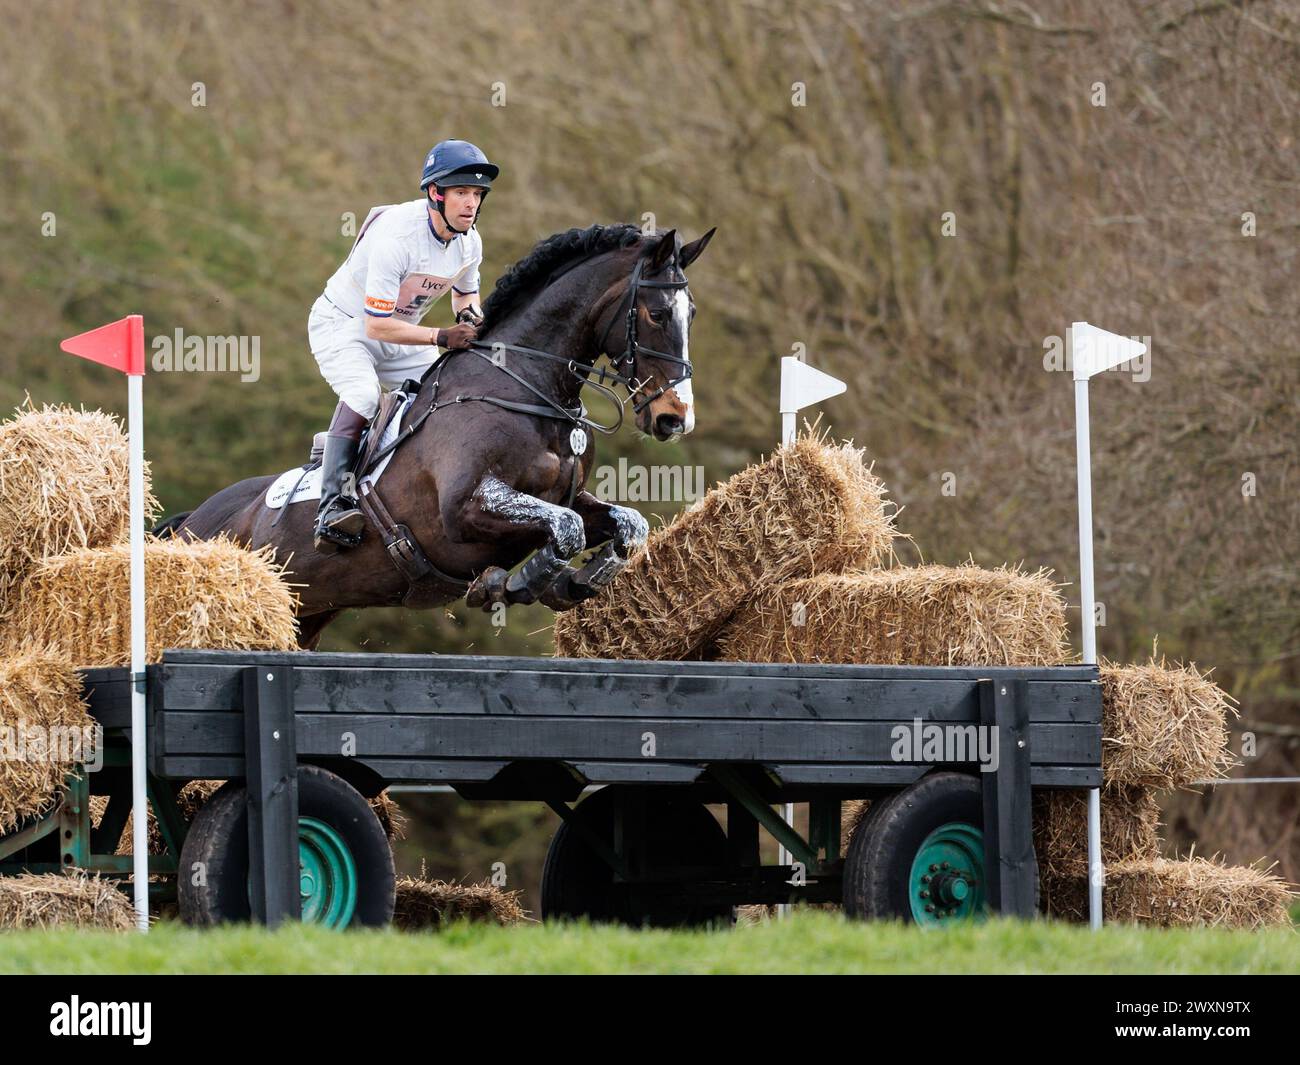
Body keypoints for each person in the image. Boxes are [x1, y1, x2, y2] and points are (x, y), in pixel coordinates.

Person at [308, 139, 497, 550]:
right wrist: (441, 336)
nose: (471, 204)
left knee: (447, 388)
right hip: (344, 325)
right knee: (363, 394)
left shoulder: (470, 242)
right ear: (435, 193)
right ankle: (332, 506)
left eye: (477, 195)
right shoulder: (397, 235)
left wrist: (471, 319)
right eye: (462, 193)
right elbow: (376, 326)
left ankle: (360, 455)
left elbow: (465, 296)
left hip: (402, 333)